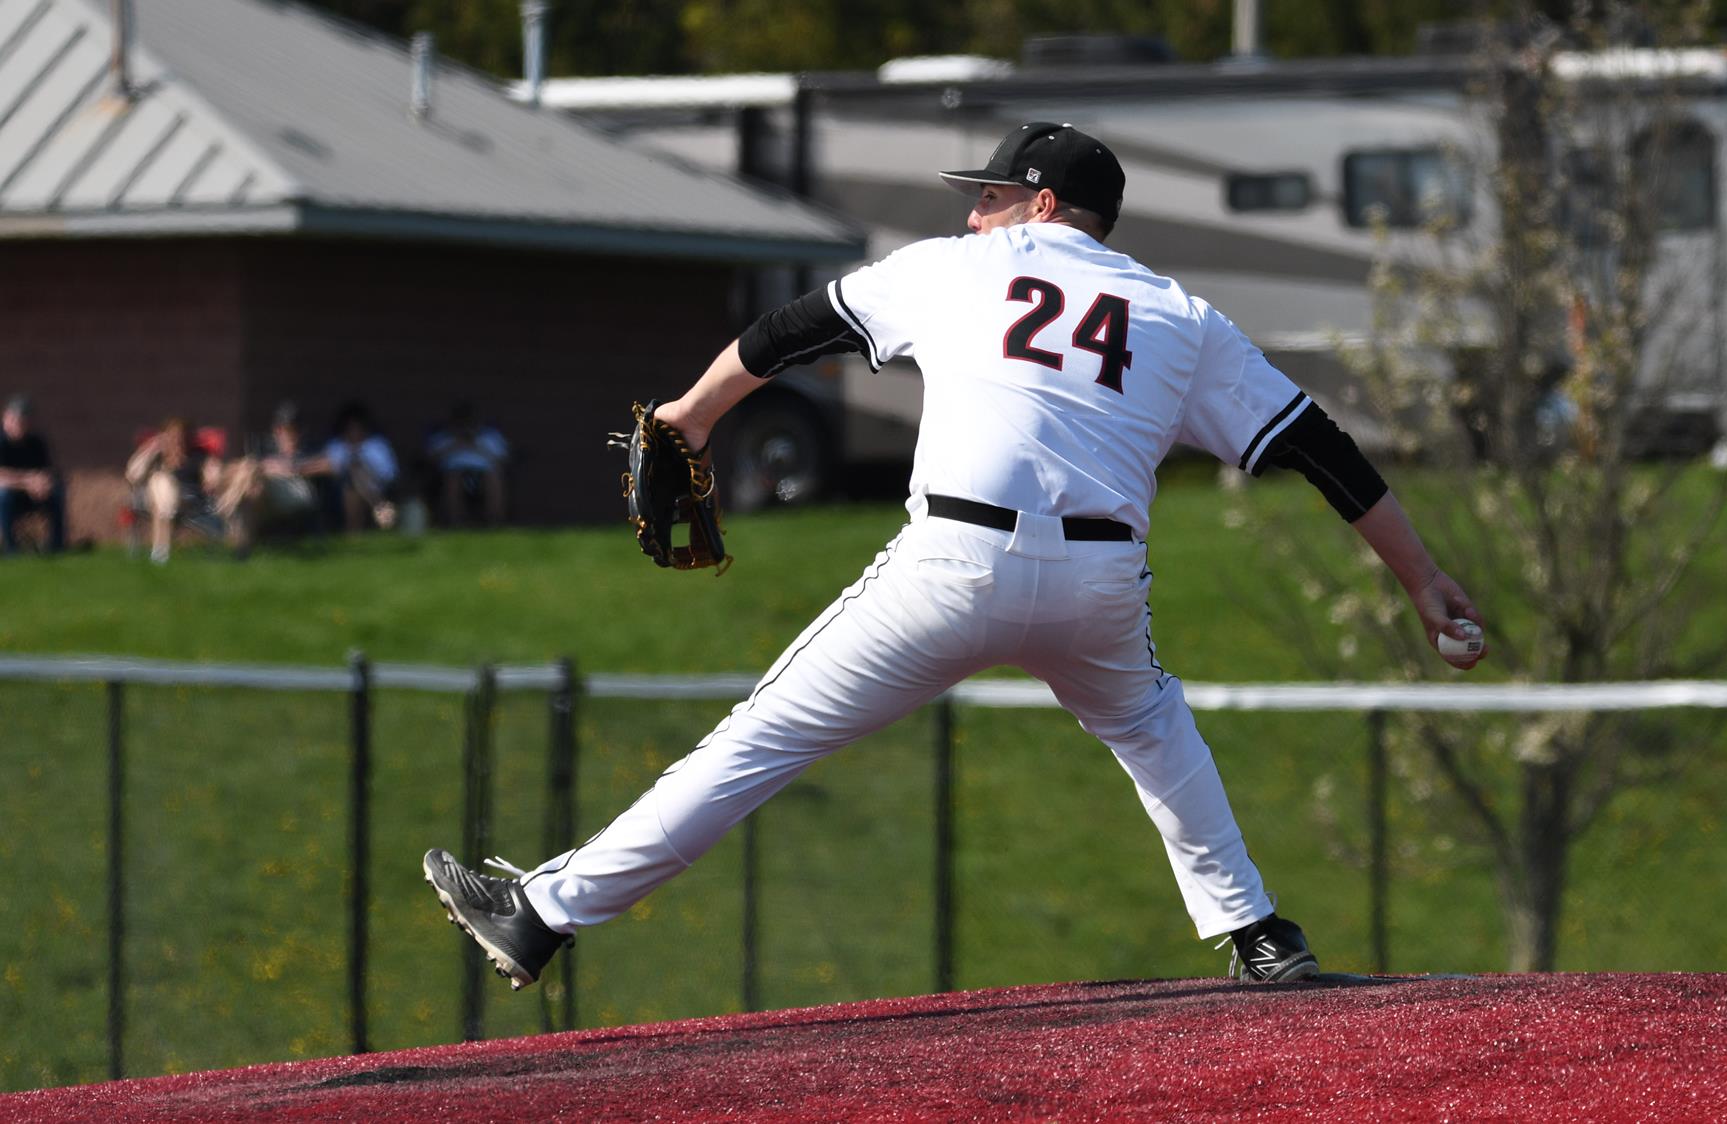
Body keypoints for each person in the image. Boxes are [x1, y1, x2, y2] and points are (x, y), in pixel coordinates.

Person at [424, 123, 1486, 990]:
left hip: (953, 560)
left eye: (988, 194)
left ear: (1039, 204)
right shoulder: (1180, 314)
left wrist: (692, 414)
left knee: (762, 735)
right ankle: (1258, 933)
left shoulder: (956, 267)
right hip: (1097, 580)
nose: (969, 211)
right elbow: (1317, 447)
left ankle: (544, 912)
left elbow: (796, 328)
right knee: (1152, 721)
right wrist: (1418, 576)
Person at [213, 403, 329, 553]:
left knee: (251, 469)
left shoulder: (310, 448)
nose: (287, 435)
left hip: (296, 491)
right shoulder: (268, 450)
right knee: (252, 488)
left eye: (292, 430)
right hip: (265, 489)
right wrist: (265, 467)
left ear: (300, 431)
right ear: (276, 431)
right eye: (281, 430)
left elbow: (330, 465)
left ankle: (225, 506)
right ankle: (243, 547)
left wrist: (293, 468)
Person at [125, 416, 222, 563]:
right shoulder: (155, 456)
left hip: (187, 501)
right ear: (163, 437)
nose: (176, 440)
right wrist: (151, 449)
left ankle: (159, 554)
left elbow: (213, 478)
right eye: (171, 435)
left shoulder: (199, 456)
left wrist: (211, 474)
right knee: (160, 480)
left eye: (181, 436)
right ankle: (160, 553)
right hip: (154, 500)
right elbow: (133, 475)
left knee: (162, 491)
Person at [0, 394, 66, 555]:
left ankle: (57, 544)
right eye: (15, 419)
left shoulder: (36, 443)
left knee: (57, 492)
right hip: (9, 497)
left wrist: (43, 483)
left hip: (32, 495)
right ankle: (11, 547)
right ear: (5, 418)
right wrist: (27, 481)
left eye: (23, 420)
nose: (19, 424)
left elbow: (47, 470)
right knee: (4, 494)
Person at [425, 402, 509, 526]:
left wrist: (476, 445)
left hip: (484, 475)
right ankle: (456, 522)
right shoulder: (444, 438)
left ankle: (494, 521)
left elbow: (503, 460)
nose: (467, 425)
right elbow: (430, 460)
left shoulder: (490, 437)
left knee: (493, 477)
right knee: (453, 478)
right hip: (452, 474)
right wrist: (457, 443)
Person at [324, 402, 400, 532]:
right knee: (352, 483)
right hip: (340, 492)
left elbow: (390, 474)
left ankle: (357, 528)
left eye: (357, 428)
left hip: (379, 487)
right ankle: (380, 507)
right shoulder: (336, 447)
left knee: (357, 475)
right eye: (350, 428)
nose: (354, 432)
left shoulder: (377, 445)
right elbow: (330, 469)